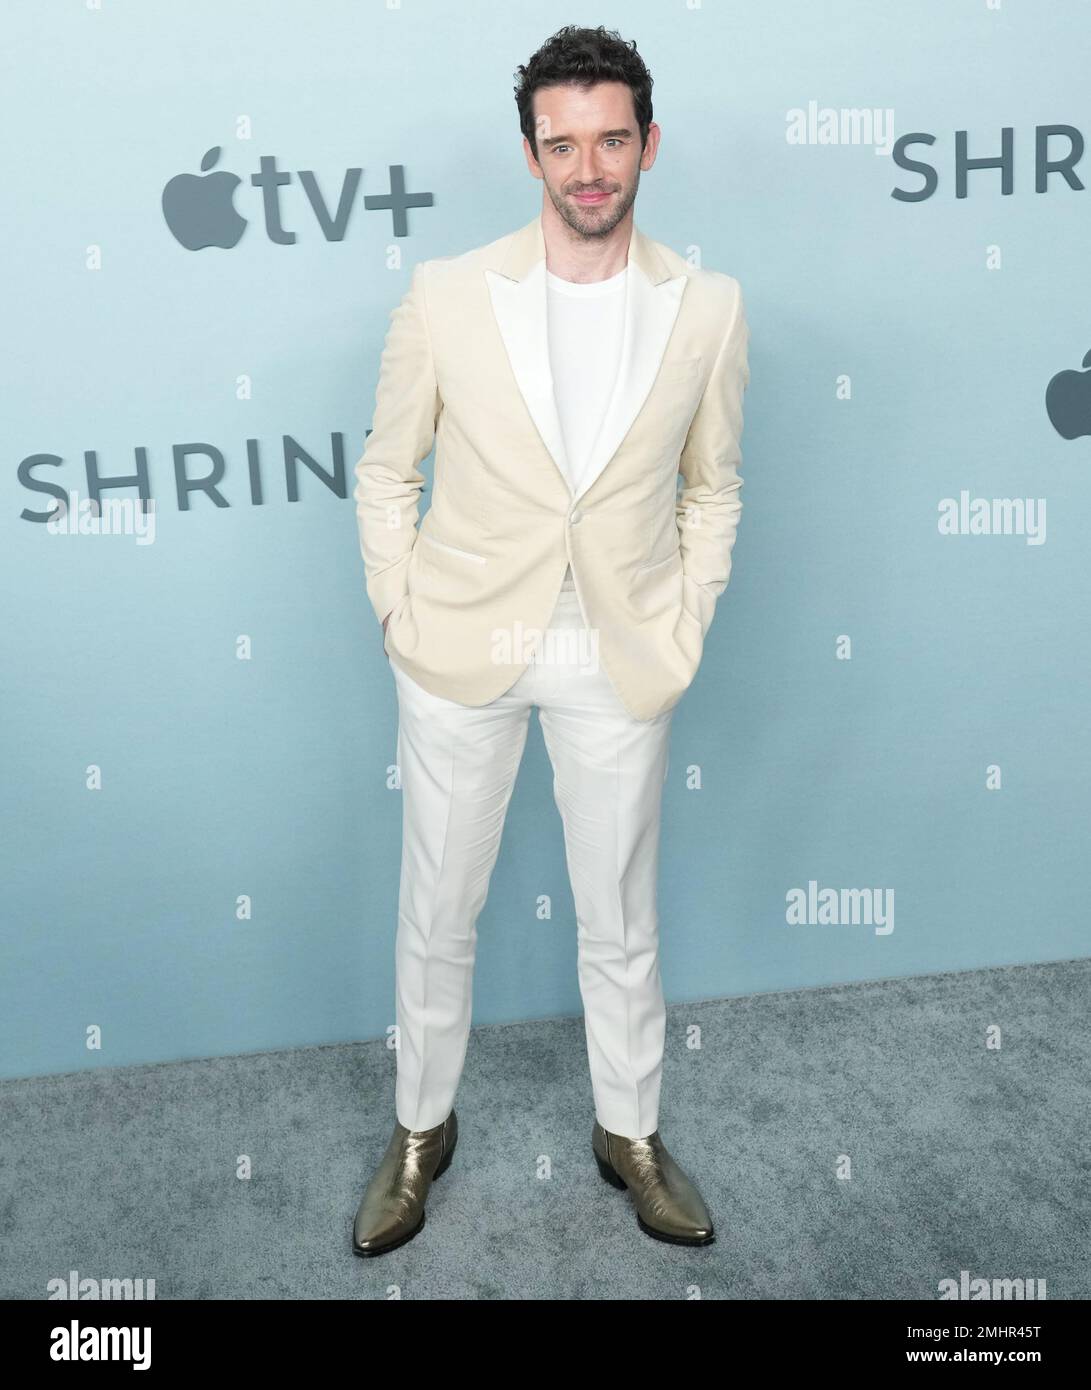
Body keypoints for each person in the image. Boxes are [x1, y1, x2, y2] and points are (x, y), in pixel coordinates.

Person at [351, 23, 749, 1257]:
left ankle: (628, 1131)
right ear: (529, 154)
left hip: (616, 651)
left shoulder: (711, 307)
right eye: (562, 144)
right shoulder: (445, 295)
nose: (589, 168)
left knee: (617, 912)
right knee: (437, 907)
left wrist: (680, 618)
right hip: (464, 643)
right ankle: (422, 1129)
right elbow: (385, 468)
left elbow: (712, 486)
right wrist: (399, 610)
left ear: (646, 144)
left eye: (610, 140)